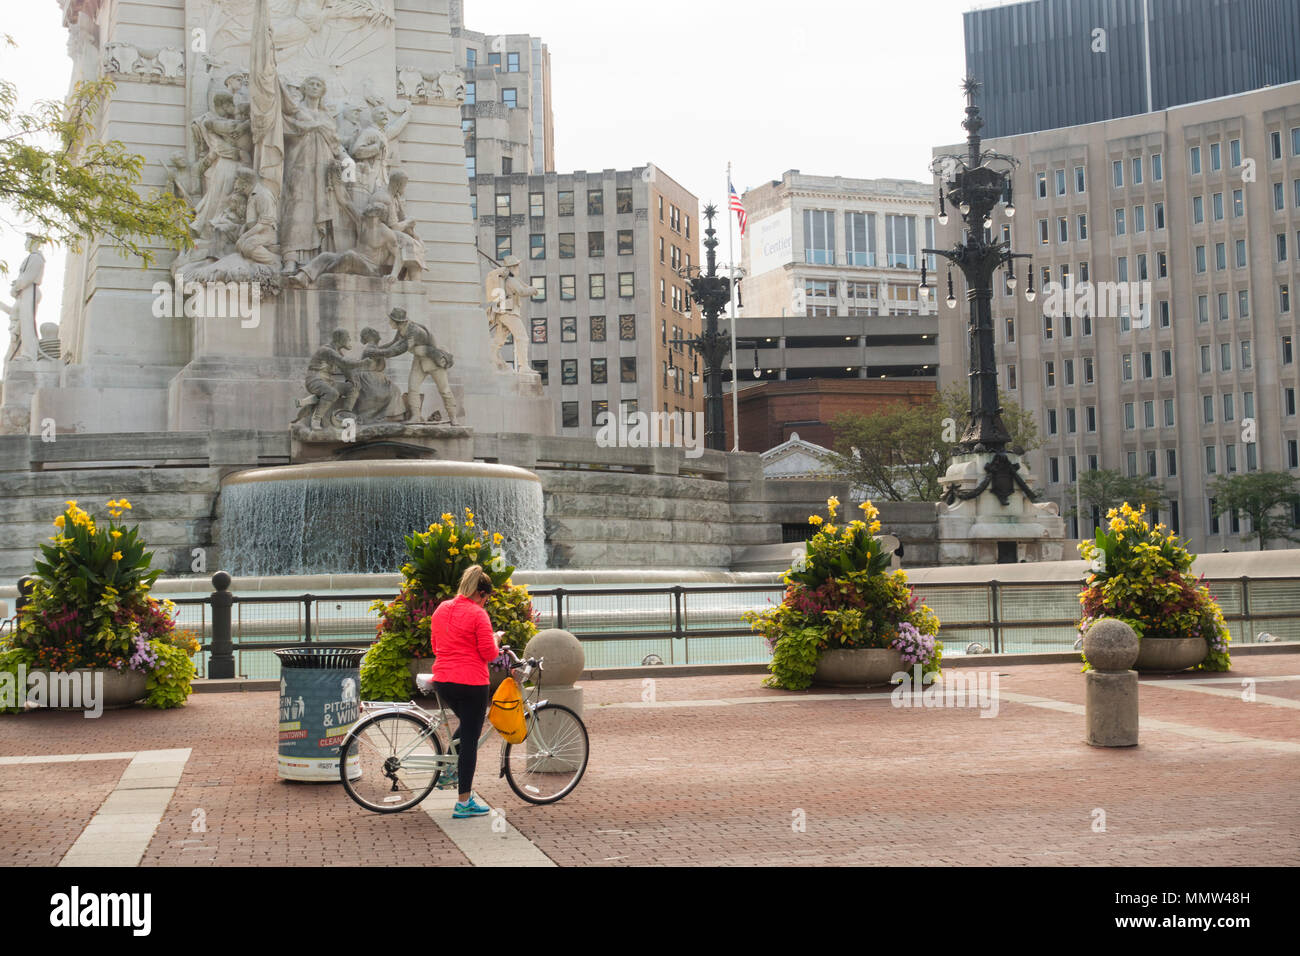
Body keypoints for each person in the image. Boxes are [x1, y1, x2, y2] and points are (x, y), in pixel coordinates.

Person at [429, 565, 501, 818]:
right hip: (471, 682)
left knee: (468, 725)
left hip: (444, 680)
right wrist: (496, 639)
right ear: (481, 593)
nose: (486, 603)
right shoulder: (478, 614)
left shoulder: (442, 608)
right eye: (487, 598)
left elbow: (436, 645)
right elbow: (489, 654)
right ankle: (464, 802)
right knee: (470, 740)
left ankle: (447, 768)